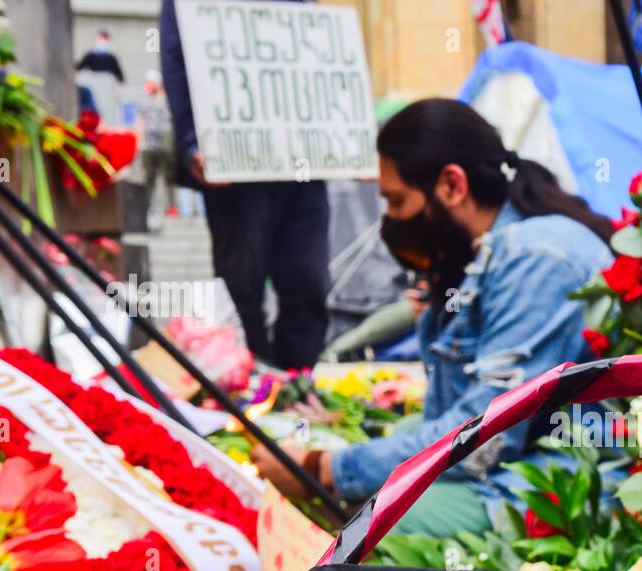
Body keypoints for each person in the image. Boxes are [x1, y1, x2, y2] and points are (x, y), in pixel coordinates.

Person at [250, 99, 614, 536]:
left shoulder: (533, 258)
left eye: (397, 201)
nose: (391, 220)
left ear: (452, 185)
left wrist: (324, 470)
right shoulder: (489, 249)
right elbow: (452, 404)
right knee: (397, 442)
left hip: (566, 483)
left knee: (366, 521)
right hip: (522, 455)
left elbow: (489, 435)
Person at [159, 0, 331, 369]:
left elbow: (326, 50)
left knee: (308, 280)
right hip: (236, 164)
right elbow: (176, 59)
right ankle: (255, 388)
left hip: (302, 161)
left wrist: (349, 142)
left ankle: (300, 382)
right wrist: (193, 140)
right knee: (241, 287)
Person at [134, 69, 176, 218]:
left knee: (169, 177)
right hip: (149, 144)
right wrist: (138, 141)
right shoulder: (144, 101)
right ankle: (146, 207)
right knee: (148, 178)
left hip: (166, 141)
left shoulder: (169, 99)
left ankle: (171, 206)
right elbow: (140, 121)